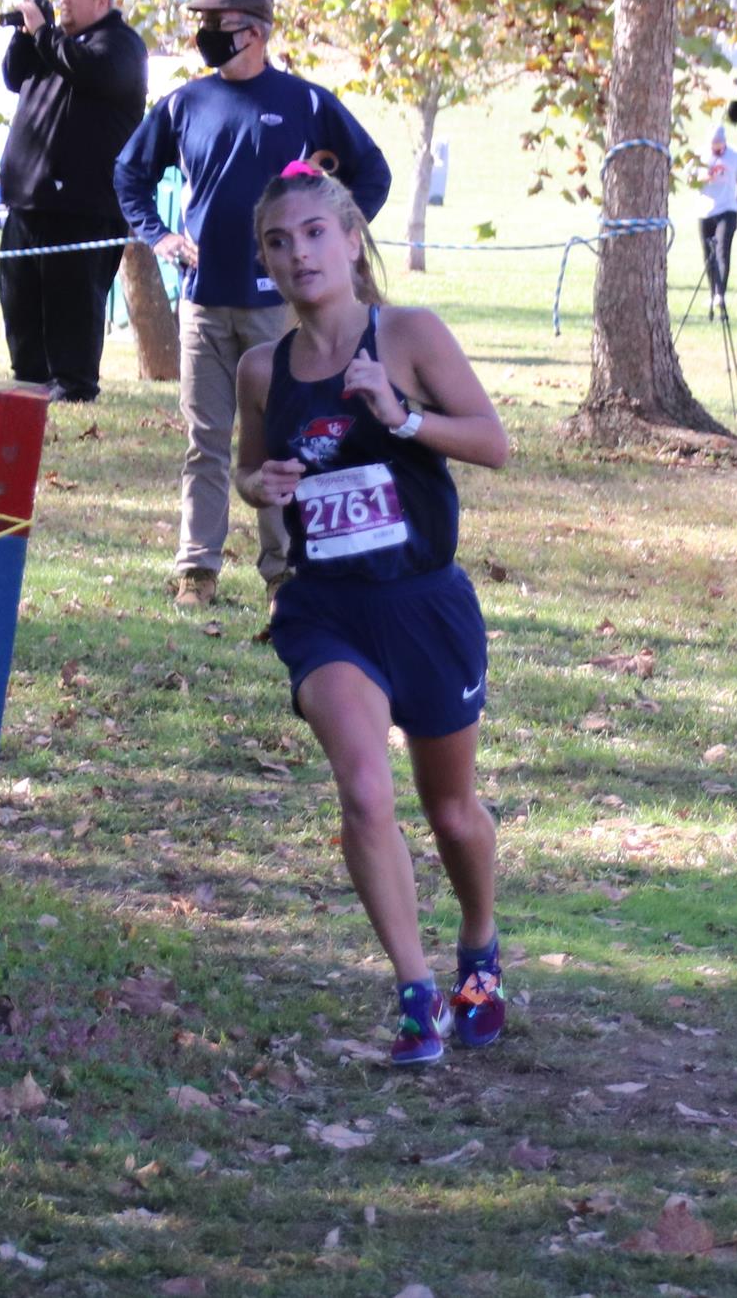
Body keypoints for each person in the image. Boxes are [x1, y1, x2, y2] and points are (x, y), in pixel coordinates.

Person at [235, 162, 509, 1066]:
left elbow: (492, 442)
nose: (298, 253)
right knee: (362, 786)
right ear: (266, 262)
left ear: (352, 239)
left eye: (315, 232)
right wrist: (261, 485)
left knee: (453, 809)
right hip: (326, 611)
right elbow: (249, 473)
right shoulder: (260, 369)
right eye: (279, 241)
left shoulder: (409, 335)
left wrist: (401, 418)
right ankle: (413, 989)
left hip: (423, 602)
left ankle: (477, 946)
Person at [116, 0, 391, 607]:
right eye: (203, 21)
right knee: (205, 439)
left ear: (257, 32)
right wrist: (159, 237)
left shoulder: (305, 102)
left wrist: (330, 239)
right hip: (203, 301)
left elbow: (371, 171)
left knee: (284, 444)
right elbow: (130, 171)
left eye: (221, 21)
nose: (207, 31)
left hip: (277, 310)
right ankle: (197, 572)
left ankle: (286, 574)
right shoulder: (185, 102)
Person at [0, 0, 149, 402]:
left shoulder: (121, 47)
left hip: (83, 207)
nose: (62, 1)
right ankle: (30, 377)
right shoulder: (54, 42)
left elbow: (88, 70)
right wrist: (25, 36)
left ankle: (76, 385)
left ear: (102, 1)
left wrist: (45, 34)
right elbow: (14, 76)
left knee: (73, 300)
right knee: (19, 293)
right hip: (29, 200)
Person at [694, 124, 737, 319]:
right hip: (705, 211)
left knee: (722, 250)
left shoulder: (736, 156)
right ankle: (712, 292)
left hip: (728, 210)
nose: (716, 148)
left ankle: (720, 294)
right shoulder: (699, 156)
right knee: (708, 255)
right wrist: (702, 178)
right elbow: (691, 181)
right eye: (713, 144)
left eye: (719, 144)